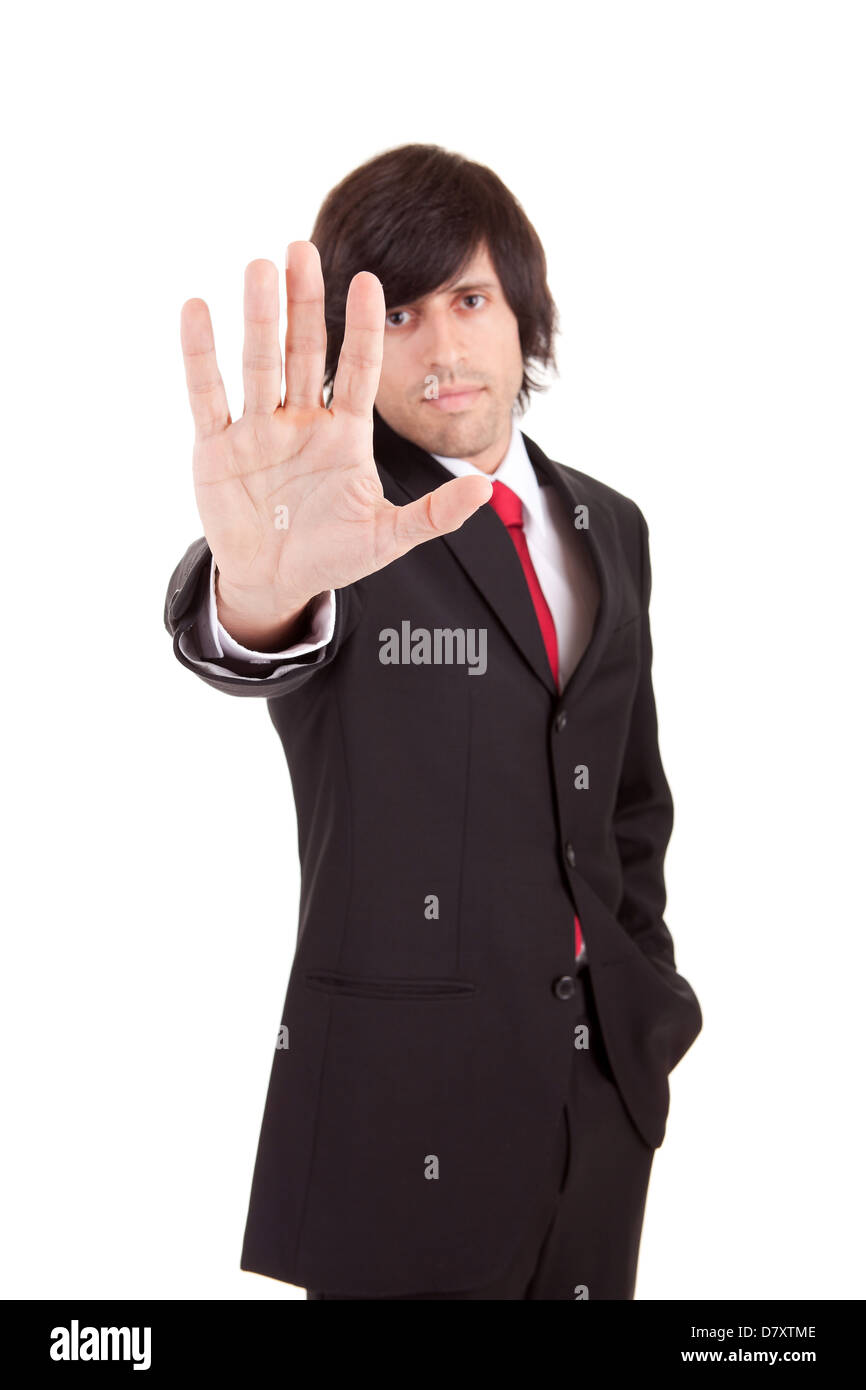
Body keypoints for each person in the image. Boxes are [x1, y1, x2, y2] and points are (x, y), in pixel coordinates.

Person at [164, 143, 702, 1300]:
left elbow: (628, 803)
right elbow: (252, 625)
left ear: (523, 314)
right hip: (401, 1107)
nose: (444, 346)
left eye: (468, 299)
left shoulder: (610, 526)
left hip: (596, 1094)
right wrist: (254, 588)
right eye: (396, 313)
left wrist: (640, 1004)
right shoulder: (340, 522)